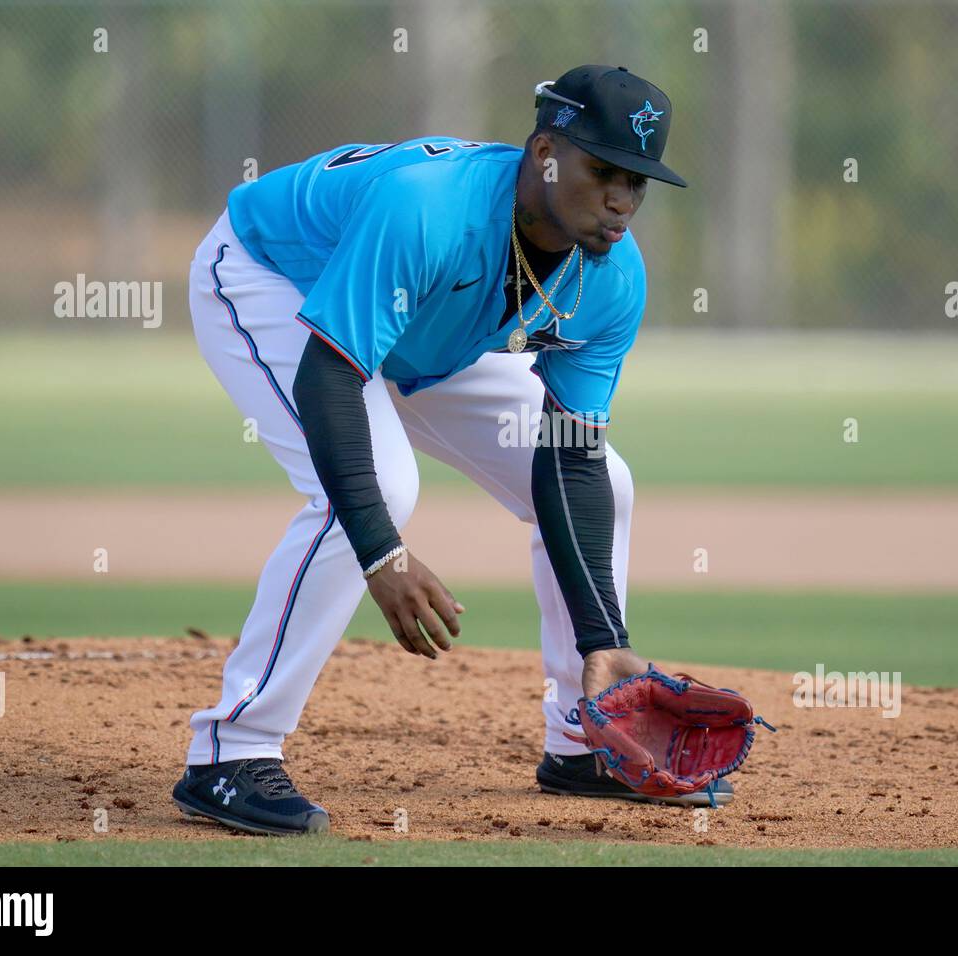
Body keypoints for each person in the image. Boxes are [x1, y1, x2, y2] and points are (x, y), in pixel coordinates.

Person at [172, 64, 727, 836]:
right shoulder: (429, 210)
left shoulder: (612, 275)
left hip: (424, 331)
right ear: (544, 153)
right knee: (382, 490)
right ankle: (231, 753)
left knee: (614, 480)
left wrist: (607, 640)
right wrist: (382, 555)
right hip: (274, 279)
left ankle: (583, 736)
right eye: (603, 170)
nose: (620, 201)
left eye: (637, 182)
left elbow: (567, 455)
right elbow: (330, 378)